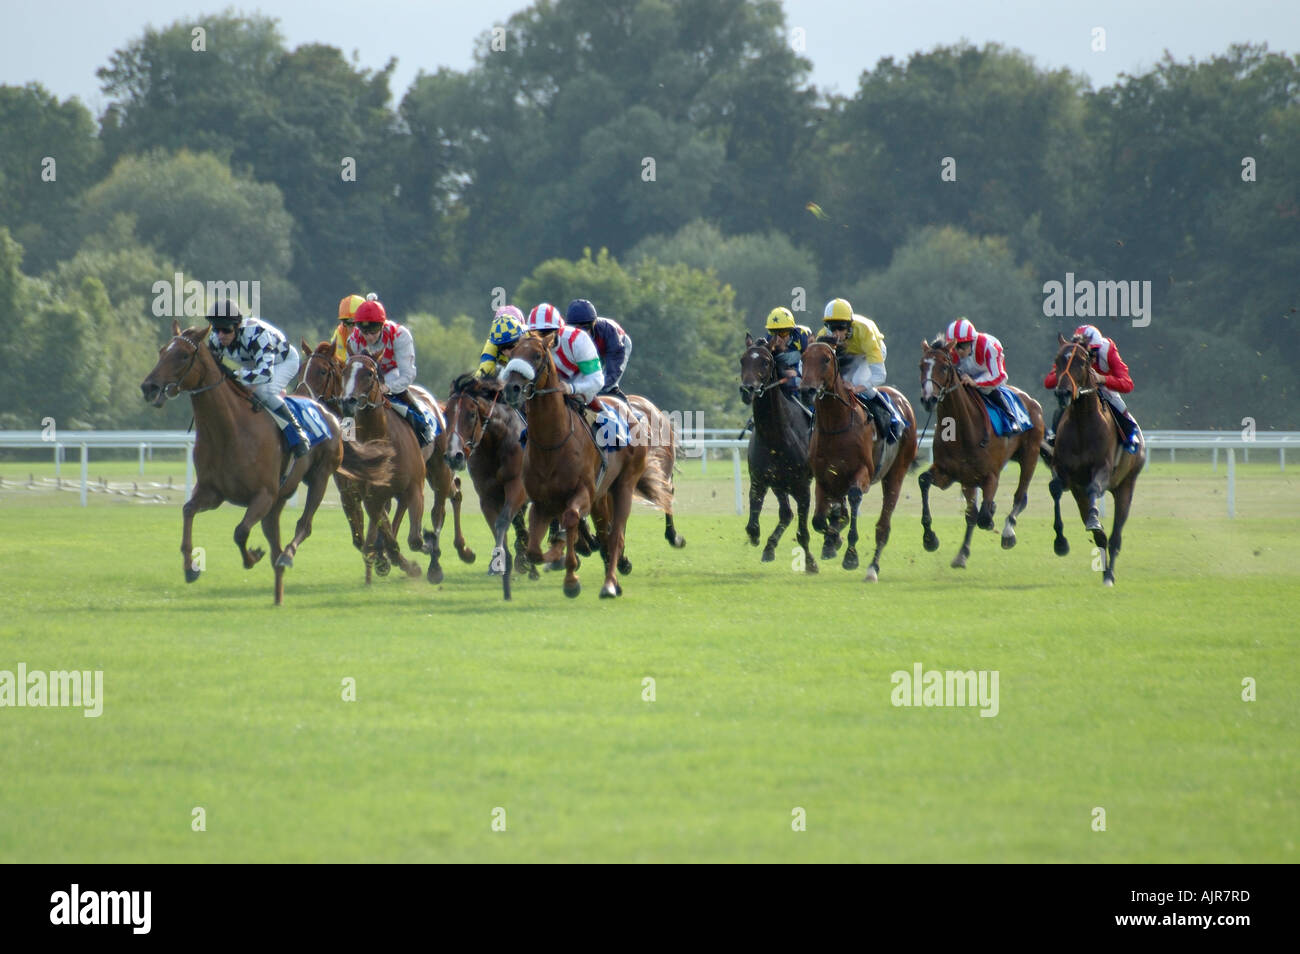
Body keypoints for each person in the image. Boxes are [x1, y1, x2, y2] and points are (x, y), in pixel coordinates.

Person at [206, 299, 310, 457]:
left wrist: (236, 375)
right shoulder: (215, 340)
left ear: (237, 326)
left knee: (264, 391)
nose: (220, 335)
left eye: (225, 330)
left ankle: (297, 433)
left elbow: (265, 374)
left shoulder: (256, 334)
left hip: (283, 361)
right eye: (216, 329)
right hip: (255, 365)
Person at [347, 298, 438, 446]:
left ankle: (421, 423)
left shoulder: (400, 335)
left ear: (382, 325)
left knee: (394, 384)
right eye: (365, 331)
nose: (369, 336)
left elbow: (408, 375)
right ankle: (346, 437)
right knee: (348, 399)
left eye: (374, 331)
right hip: (366, 376)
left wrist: (386, 387)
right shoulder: (354, 340)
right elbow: (351, 373)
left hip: (392, 373)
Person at [1043, 323, 1141, 455]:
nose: (1093, 357)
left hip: (1104, 388)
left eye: (1095, 352)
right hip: (1079, 389)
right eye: (1090, 353)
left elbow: (1127, 384)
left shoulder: (1108, 349)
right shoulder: (1070, 353)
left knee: (1119, 405)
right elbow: (1048, 382)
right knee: (1061, 407)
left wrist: (1103, 379)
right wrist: (1065, 373)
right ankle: (1054, 437)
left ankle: (1129, 437)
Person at [819, 297, 902, 442]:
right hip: (851, 354)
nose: (836, 333)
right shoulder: (823, 336)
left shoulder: (865, 331)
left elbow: (880, 375)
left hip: (873, 350)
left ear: (849, 325)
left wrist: (856, 389)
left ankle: (893, 417)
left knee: (858, 379)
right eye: (832, 328)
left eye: (841, 327)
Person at [943, 317, 1018, 424]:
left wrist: (975, 383)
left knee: (986, 390)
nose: (958, 351)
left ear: (972, 341)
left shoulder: (989, 347)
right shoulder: (952, 352)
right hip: (967, 373)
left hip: (989, 373)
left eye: (962, 346)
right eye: (955, 346)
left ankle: (1010, 417)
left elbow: (999, 377)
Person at [564, 299, 631, 398]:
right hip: (596, 348)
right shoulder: (565, 335)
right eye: (576, 329)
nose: (581, 333)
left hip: (617, 346)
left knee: (606, 386)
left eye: (585, 328)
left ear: (593, 324)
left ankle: (623, 407)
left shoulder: (610, 333)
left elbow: (612, 372)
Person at [476, 306, 527, 378]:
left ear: (522, 335)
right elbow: (483, 373)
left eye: (511, 346)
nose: (506, 352)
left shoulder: (530, 337)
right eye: (501, 348)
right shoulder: (491, 344)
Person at [330, 294, 367, 364]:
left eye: (358, 323)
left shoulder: (375, 333)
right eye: (349, 323)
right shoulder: (339, 335)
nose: (354, 329)